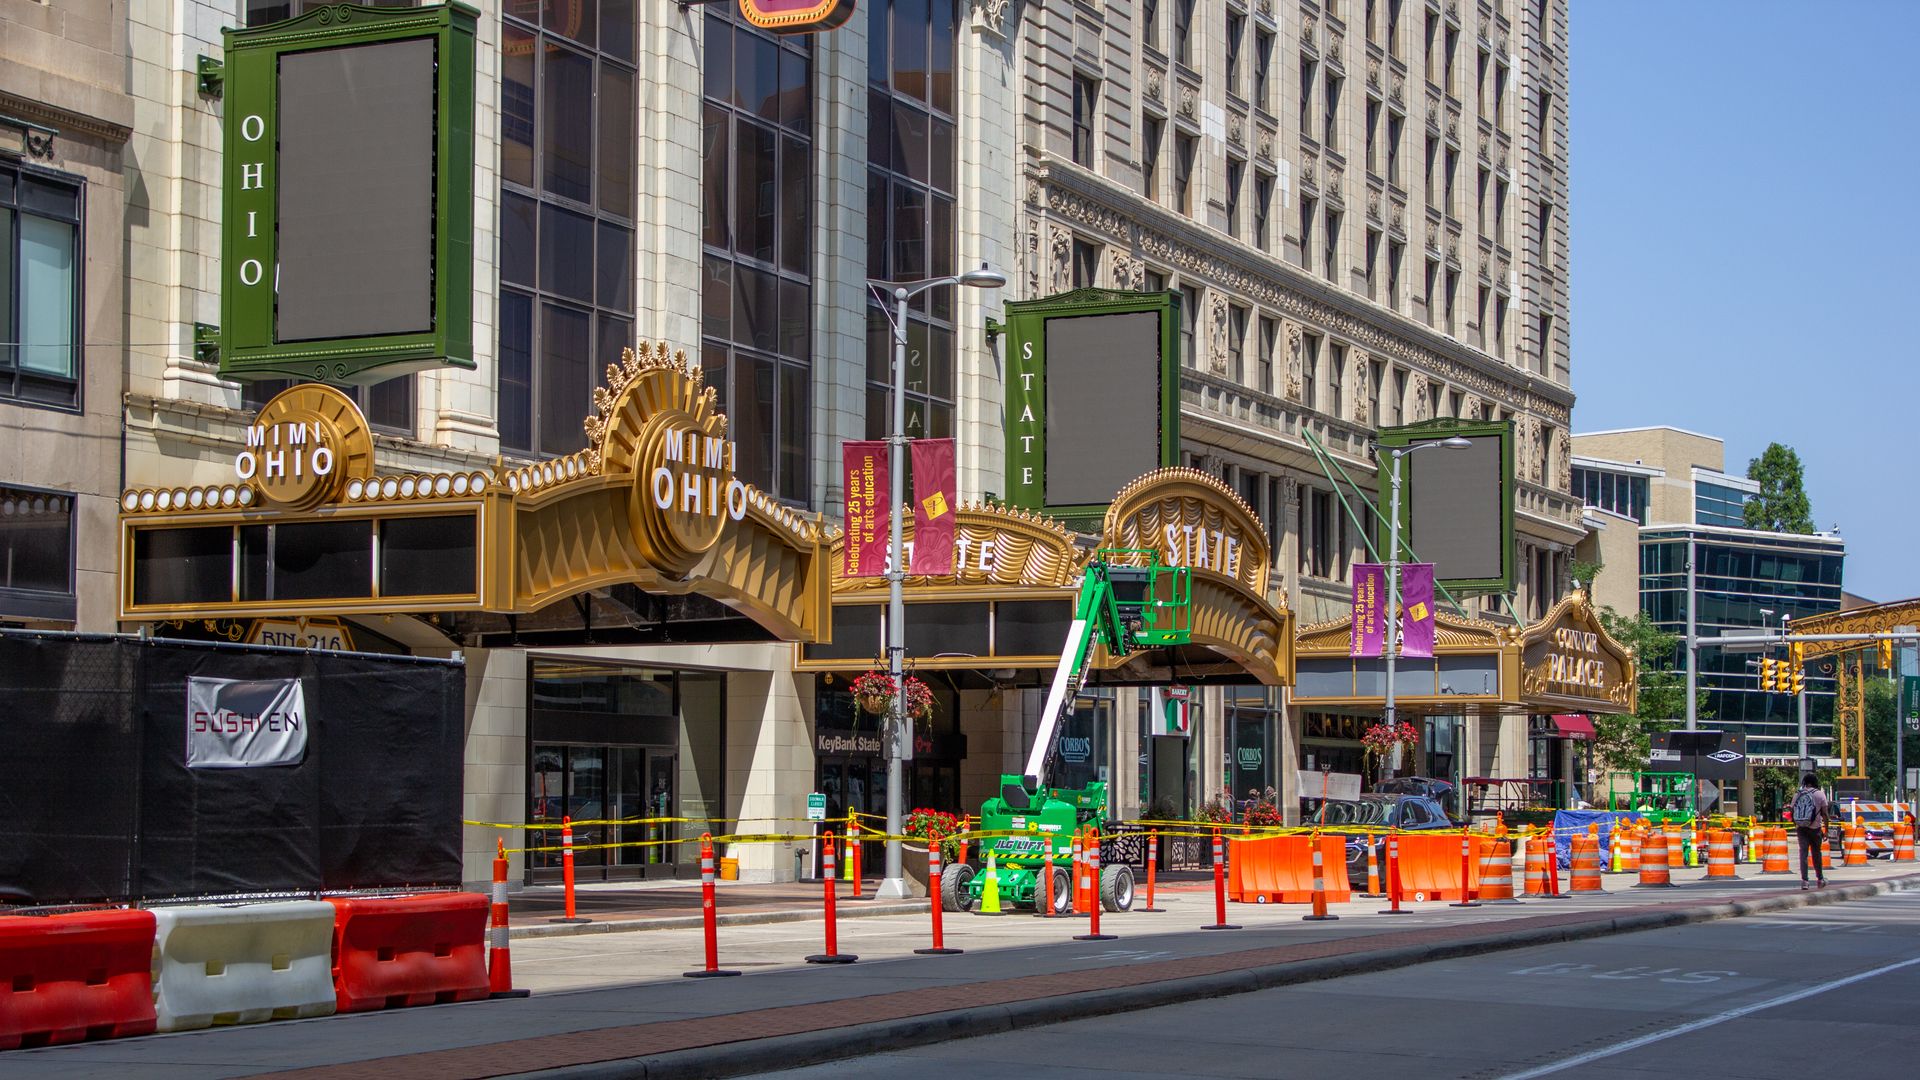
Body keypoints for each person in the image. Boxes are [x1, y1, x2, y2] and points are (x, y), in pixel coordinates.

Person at [1791, 773, 1831, 889]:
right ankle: (1820, 879)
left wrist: (1796, 824)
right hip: (1815, 828)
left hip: (1801, 829)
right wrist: (1826, 830)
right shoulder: (1820, 794)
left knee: (1803, 853)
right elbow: (1825, 814)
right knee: (1816, 853)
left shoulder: (1798, 794)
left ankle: (1804, 881)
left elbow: (1792, 810)